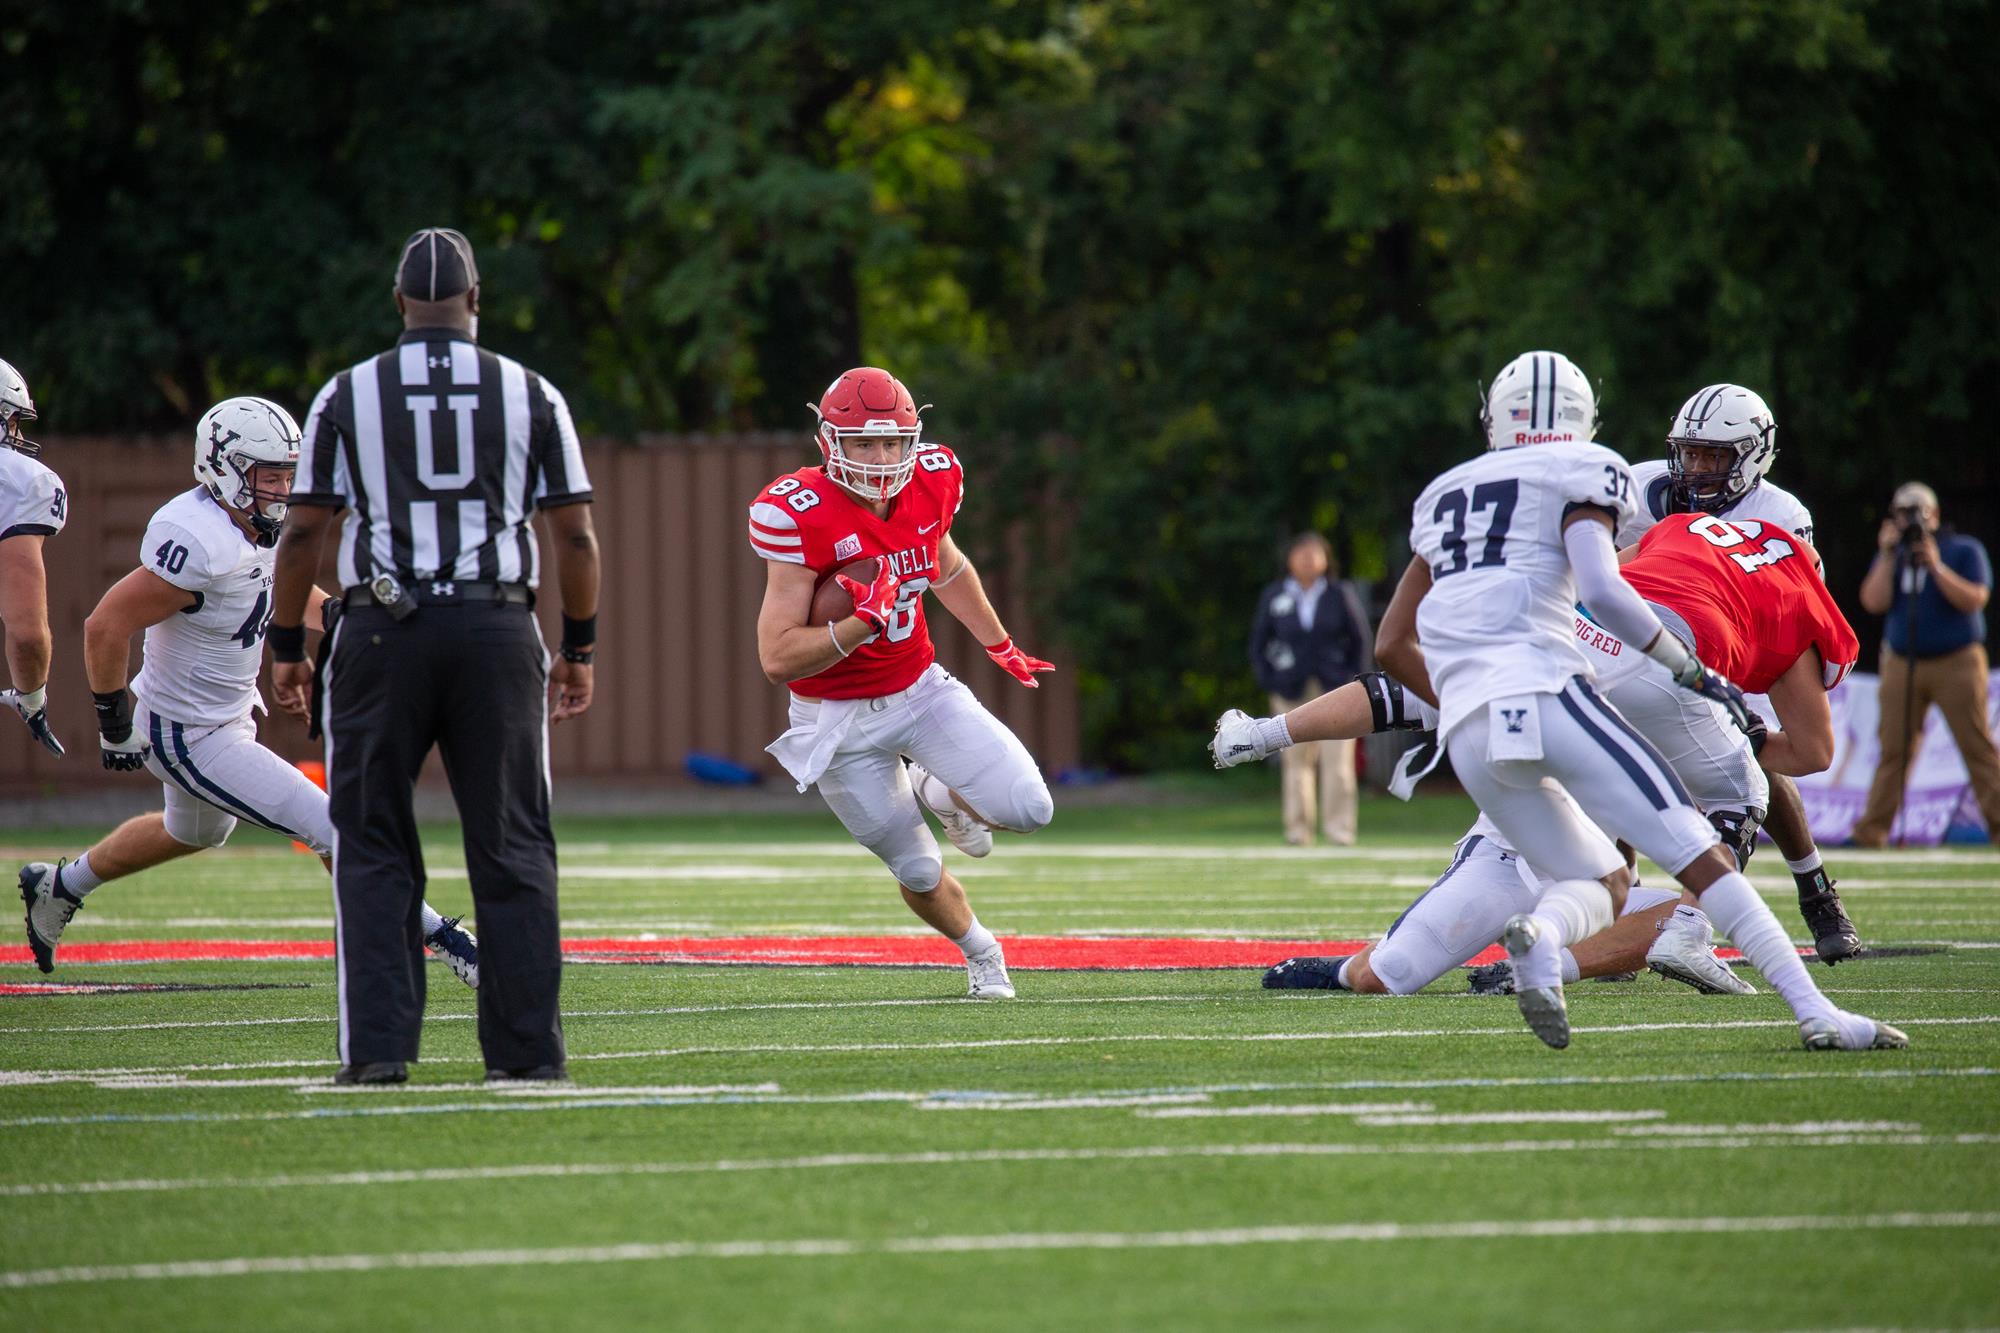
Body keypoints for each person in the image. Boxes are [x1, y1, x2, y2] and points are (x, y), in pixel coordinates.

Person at [1344, 350, 1896, 1050]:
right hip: (1577, 680)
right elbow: (1607, 591)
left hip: (1484, 727)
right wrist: (1687, 668)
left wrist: (1456, 704)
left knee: (1591, 877)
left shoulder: (1443, 494)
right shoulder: (1592, 471)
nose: (1695, 469)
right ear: (1583, 416)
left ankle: (1527, 941)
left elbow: (1394, 645)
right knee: (1701, 853)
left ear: (1493, 419)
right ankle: (1812, 1007)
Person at [1228, 504, 1860, 1001]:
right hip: (1625, 719)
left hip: (1587, 638)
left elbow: (1597, 574)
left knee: (1445, 688)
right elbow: (1811, 753)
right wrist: (1743, 735)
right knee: (1744, 797)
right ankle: (1670, 934)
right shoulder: (1795, 590)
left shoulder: (1680, 529)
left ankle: (1265, 733)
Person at [268, 228, 599, 1086]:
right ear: (477, 301)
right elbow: (575, 533)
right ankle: (526, 1057)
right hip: (496, 630)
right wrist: (580, 645)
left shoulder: (349, 392)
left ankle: (377, 1050)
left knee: (373, 840)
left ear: (398, 303)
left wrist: (287, 642)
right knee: (514, 842)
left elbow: (306, 527)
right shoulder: (531, 392)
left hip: (381, 630)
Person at [16, 397, 477, 988]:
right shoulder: (197, 539)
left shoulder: (252, 526)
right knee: (334, 825)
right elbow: (105, 624)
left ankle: (59, 886)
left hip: (224, 717)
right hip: (187, 733)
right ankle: (444, 939)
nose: (283, 487)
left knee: (196, 831)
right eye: (270, 475)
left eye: (288, 473)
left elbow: (267, 583)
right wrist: (113, 722)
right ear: (225, 467)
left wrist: (338, 613)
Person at [750, 367, 1054, 999]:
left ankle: (939, 791)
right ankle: (983, 952)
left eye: (892, 442)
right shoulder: (796, 512)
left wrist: (998, 644)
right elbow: (777, 657)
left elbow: (944, 562)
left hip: (918, 690)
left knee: (1030, 806)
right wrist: (861, 624)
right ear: (828, 441)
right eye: (863, 442)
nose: (881, 457)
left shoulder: (933, 479)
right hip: (834, 720)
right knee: (917, 868)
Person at [1620, 384, 1860, 960]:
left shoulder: (1781, 516)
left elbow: (1793, 610)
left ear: (1754, 455)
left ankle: (1815, 888)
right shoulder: (1640, 488)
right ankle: (1619, 906)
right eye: (1691, 454)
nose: (1698, 469)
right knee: (1617, 750)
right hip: (1651, 634)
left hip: (1743, 644)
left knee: (1749, 756)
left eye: (1715, 456)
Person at [1852, 481, 2000, 846]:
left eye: (1917, 511)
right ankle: (1872, 833)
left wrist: (1936, 566)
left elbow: (1975, 599)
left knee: (1975, 745)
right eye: (1903, 512)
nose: (1910, 520)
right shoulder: (1894, 554)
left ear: (1934, 514)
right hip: (1903, 661)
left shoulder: (1962, 549)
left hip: (1958, 660)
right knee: (1893, 749)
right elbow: (1873, 601)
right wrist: (1886, 554)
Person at [1248, 532, 1371, 844]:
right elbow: (1259, 644)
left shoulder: (1338, 593)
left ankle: (1339, 830)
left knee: (1338, 762)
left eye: (1314, 552)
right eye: (1300, 552)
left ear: (1326, 559)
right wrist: (1271, 680)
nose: (1307, 558)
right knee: (1295, 761)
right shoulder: (1275, 595)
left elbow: (1360, 641)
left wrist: (1354, 681)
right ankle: (1298, 831)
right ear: (1289, 559)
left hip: (1335, 689)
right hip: (1291, 689)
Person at [0, 358, 68, 758]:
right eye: (12, 422)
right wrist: (32, 697)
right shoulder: (19, 481)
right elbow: (26, 634)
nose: (17, 434)